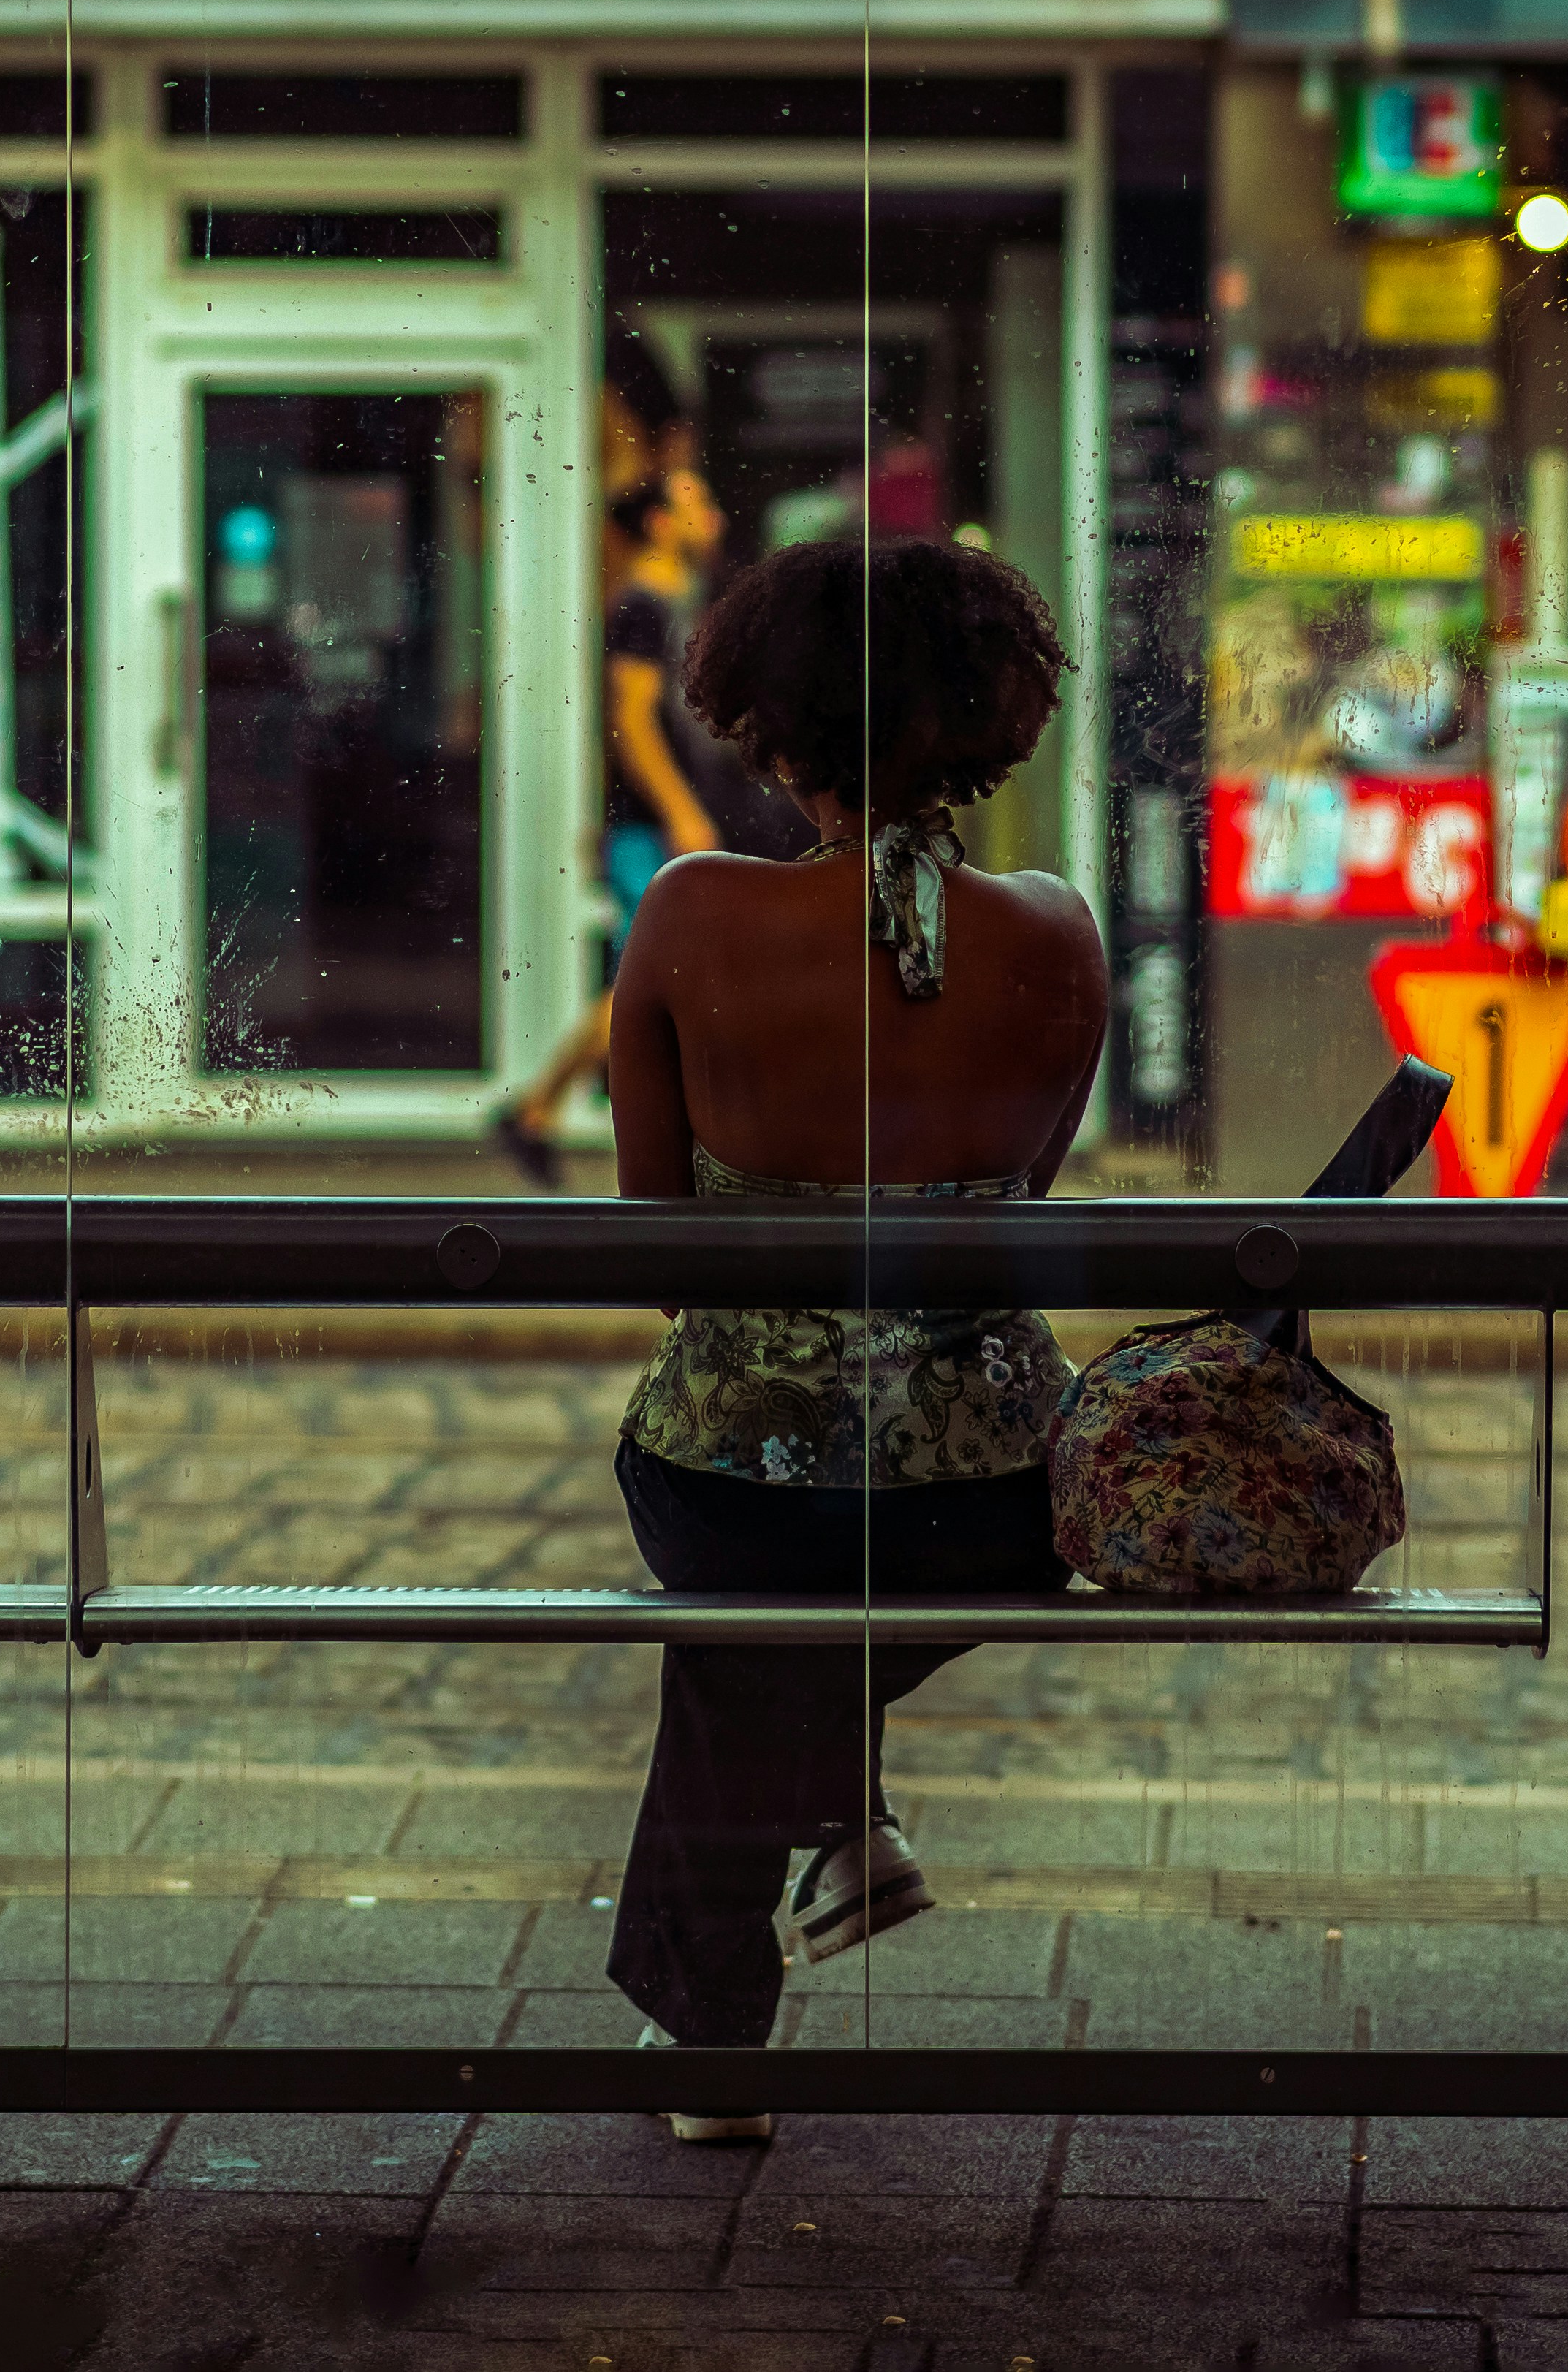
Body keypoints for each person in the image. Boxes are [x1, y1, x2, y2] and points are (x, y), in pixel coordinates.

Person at [598, 534, 1108, 2138]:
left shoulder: (688, 916)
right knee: (786, 1638)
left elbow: (658, 1242)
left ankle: (716, 2032)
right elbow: (1022, 1198)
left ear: (773, 730)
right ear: (988, 720)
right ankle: (832, 1794)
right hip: (996, 1499)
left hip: (736, 1473)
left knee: (753, 1637)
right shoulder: (1058, 931)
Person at [491, 465, 789, 1183]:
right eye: (697, 501)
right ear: (660, 522)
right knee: (649, 980)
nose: (713, 513)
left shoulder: (679, 598)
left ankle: (545, 1111)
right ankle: (535, 1108)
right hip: (656, 830)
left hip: (672, 825)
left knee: (678, 975)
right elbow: (629, 720)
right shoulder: (640, 607)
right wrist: (681, 811)